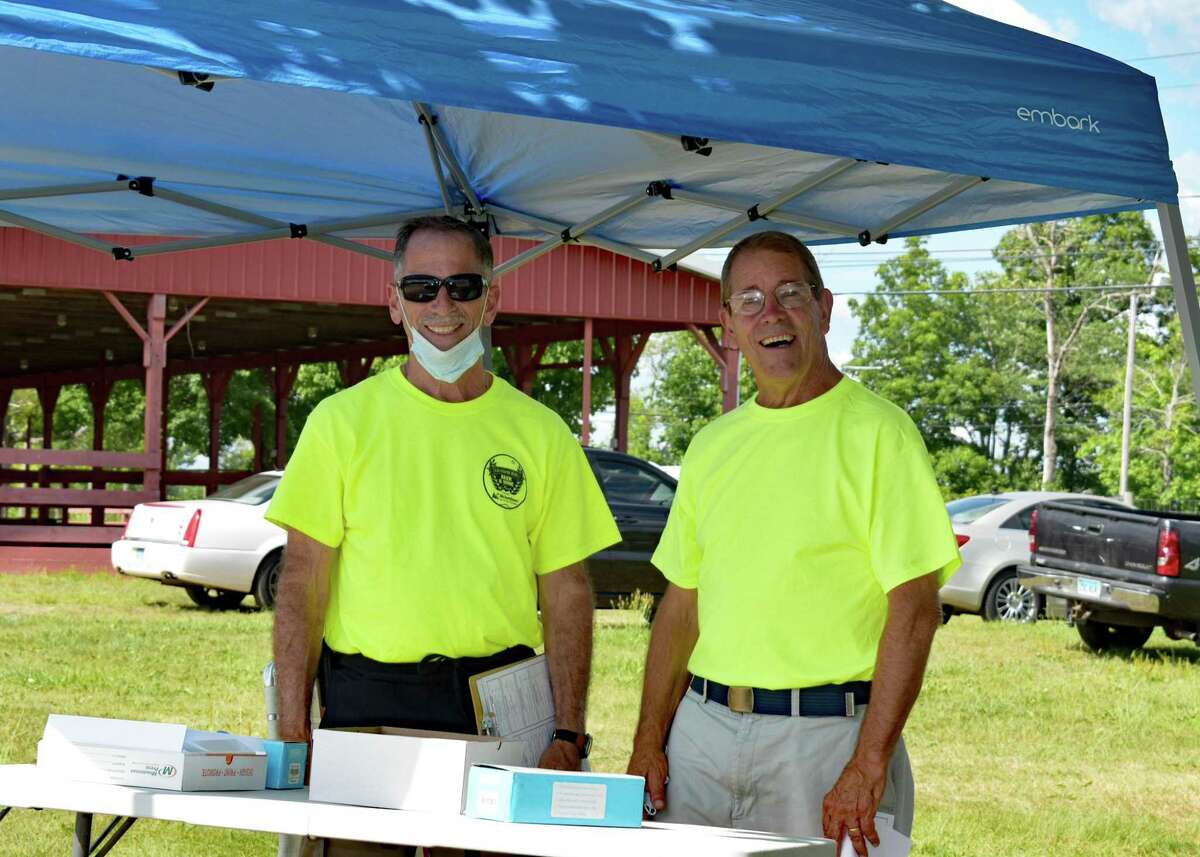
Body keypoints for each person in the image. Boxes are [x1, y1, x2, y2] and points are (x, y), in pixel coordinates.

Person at [626, 230, 960, 857]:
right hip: (699, 736)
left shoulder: (880, 434)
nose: (770, 314)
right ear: (727, 323)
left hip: (827, 740)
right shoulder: (711, 446)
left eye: (788, 293)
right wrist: (649, 740)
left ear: (824, 308)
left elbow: (915, 612)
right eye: (748, 299)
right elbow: (681, 607)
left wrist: (869, 764)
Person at [268, 216, 619, 782]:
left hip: (499, 704)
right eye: (421, 287)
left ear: (492, 299)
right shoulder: (340, 422)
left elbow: (567, 591)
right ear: (394, 302)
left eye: (464, 286)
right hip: (367, 701)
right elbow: (303, 581)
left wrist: (570, 733)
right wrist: (292, 727)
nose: (443, 304)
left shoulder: (542, 432)